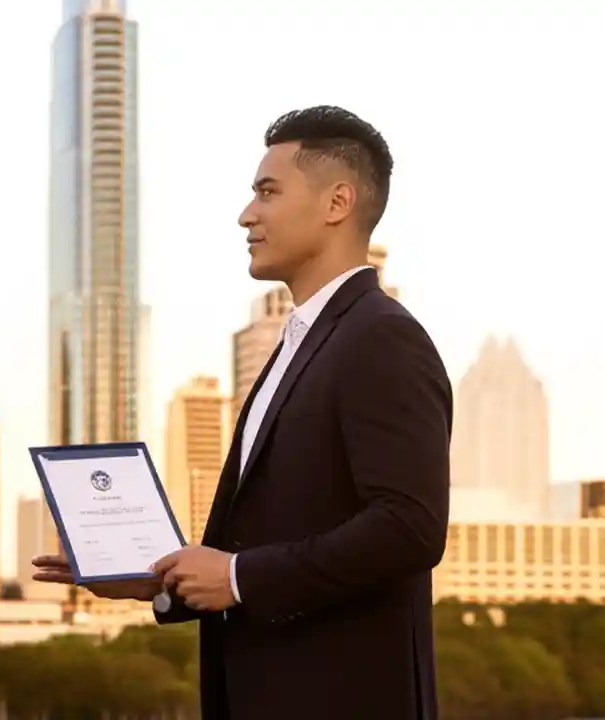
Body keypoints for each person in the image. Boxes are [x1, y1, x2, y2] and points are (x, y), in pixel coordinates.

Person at [33, 105, 452, 719]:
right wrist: (161, 579)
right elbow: (268, 538)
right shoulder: (298, 345)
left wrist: (237, 578)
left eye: (267, 192)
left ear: (337, 203)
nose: (246, 214)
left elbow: (409, 528)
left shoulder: (381, 336)